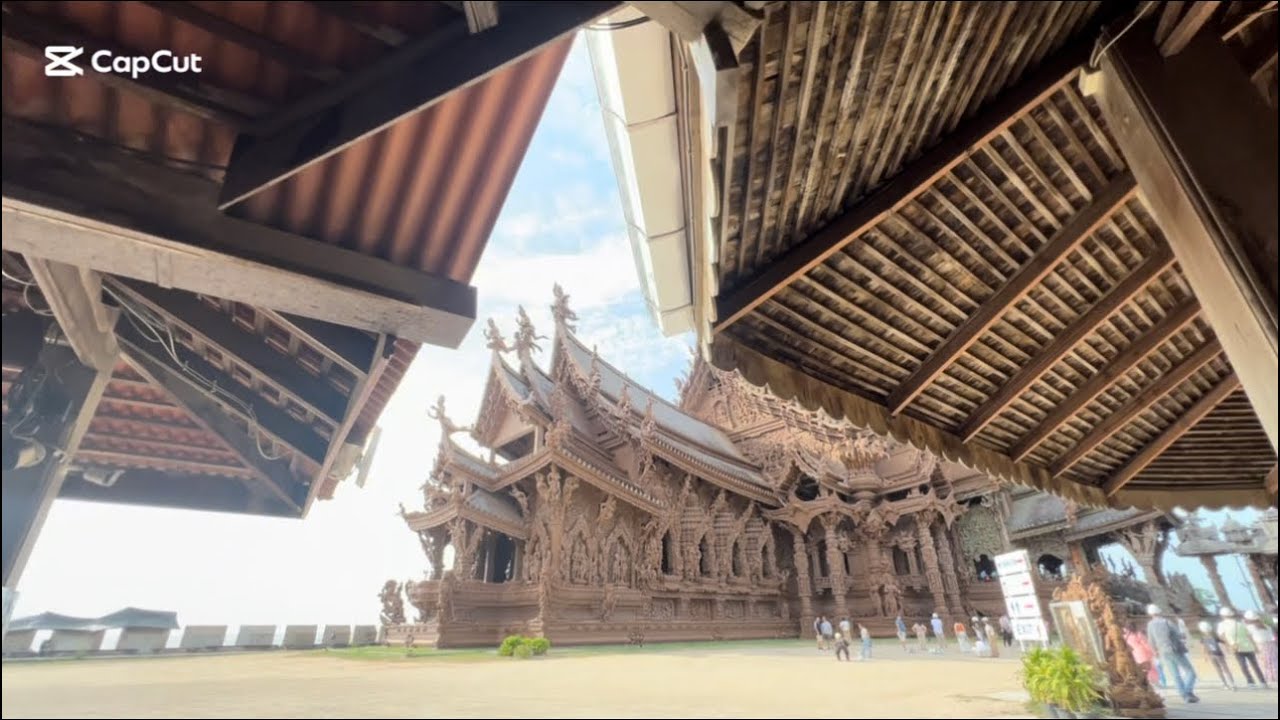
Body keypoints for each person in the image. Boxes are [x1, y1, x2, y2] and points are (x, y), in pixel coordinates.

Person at [1146, 604, 1198, 704]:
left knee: (1175, 675)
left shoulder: (1150, 625)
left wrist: (1155, 652)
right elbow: (1178, 634)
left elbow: (1151, 641)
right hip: (1174, 650)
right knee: (1191, 672)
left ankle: (1184, 695)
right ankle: (1187, 691)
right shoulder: (1166, 622)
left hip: (1163, 652)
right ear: (1159, 612)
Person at [1218, 607, 1267, 688]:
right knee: (1255, 665)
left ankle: (1251, 682)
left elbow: (1222, 637)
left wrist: (1229, 645)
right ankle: (1262, 681)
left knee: (1243, 666)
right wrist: (1255, 646)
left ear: (1222, 615)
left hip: (1237, 647)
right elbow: (1249, 636)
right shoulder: (1240, 623)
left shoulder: (1221, 625)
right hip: (1248, 646)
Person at [1197, 619, 1236, 691]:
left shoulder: (1203, 638)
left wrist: (1205, 656)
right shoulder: (1215, 636)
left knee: (1218, 669)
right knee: (1225, 668)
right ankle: (1232, 683)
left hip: (1211, 655)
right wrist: (1228, 647)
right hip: (1219, 654)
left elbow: (1204, 648)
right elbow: (1224, 642)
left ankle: (1225, 684)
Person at [1244, 610, 1277, 684]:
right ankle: (1274, 676)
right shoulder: (1266, 625)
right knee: (1273, 661)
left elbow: (1250, 638)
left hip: (1260, 645)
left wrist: (1253, 647)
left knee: (1263, 662)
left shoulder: (1249, 627)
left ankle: (1267, 677)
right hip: (1270, 644)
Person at [1124, 621, 1160, 687]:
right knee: (1151, 668)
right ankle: (1155, 682)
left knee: (1143, 669)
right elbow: (1146, 644)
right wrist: (1153, 652)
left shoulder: (1126, 636)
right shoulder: (1138, 634)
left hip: (1135, 654)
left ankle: (1147, 682)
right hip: (1144, 653)